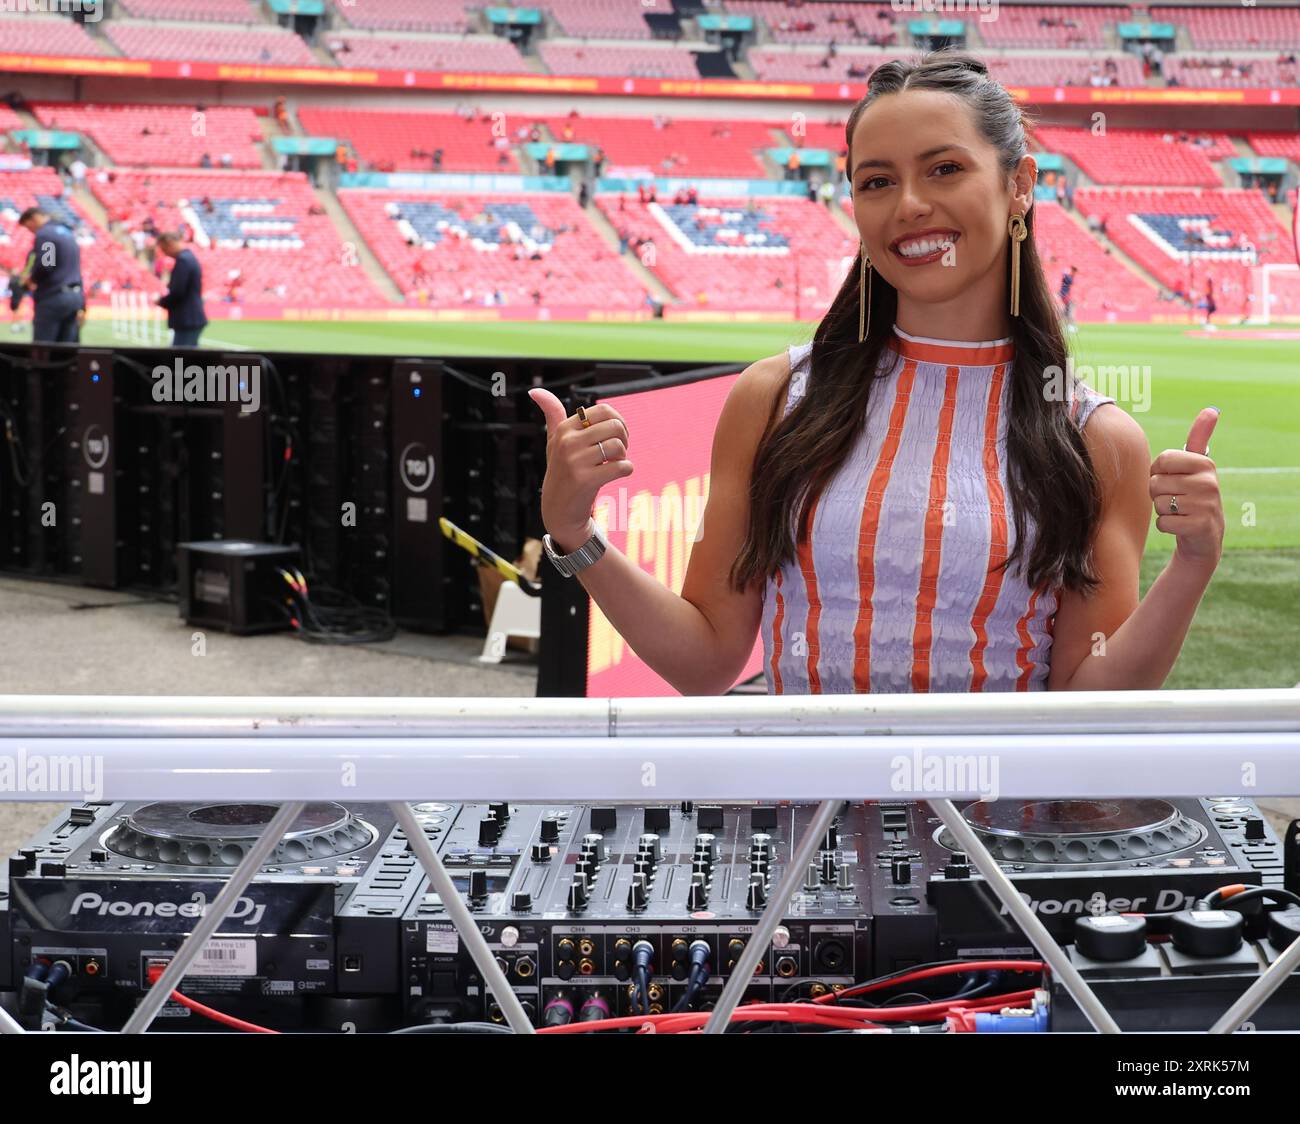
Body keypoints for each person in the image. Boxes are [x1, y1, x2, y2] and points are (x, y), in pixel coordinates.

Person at [527, 52, 1224, 696]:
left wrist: (1192, 563)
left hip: (999, 799)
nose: (909, 204)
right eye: (877, 182)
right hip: (804, 794)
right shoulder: (773, 399)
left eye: (944, 169)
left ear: (1019, 185)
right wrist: (575, 532)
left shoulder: (1097, 440)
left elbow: (1088, 701)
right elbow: (705, 663)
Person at [17, 207, 84, 344]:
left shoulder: (46, 234)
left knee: (44, 349)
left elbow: (46, 264)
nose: (31, 231)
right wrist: (83, 305)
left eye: (29, 227)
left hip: (53, 298)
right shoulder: (67, 232)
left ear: (34, 218)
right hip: (74, 297)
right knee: (67, 348)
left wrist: (31, 280)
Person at [155, 232, 207, 347]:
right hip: (191, 317)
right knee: (187, 354)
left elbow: (178, 291)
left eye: (164, 249)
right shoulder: (188, 258)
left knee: (180, 355)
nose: (165, 253)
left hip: (187, 318)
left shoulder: (183, 260)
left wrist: (161, 301)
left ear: (170, 244)